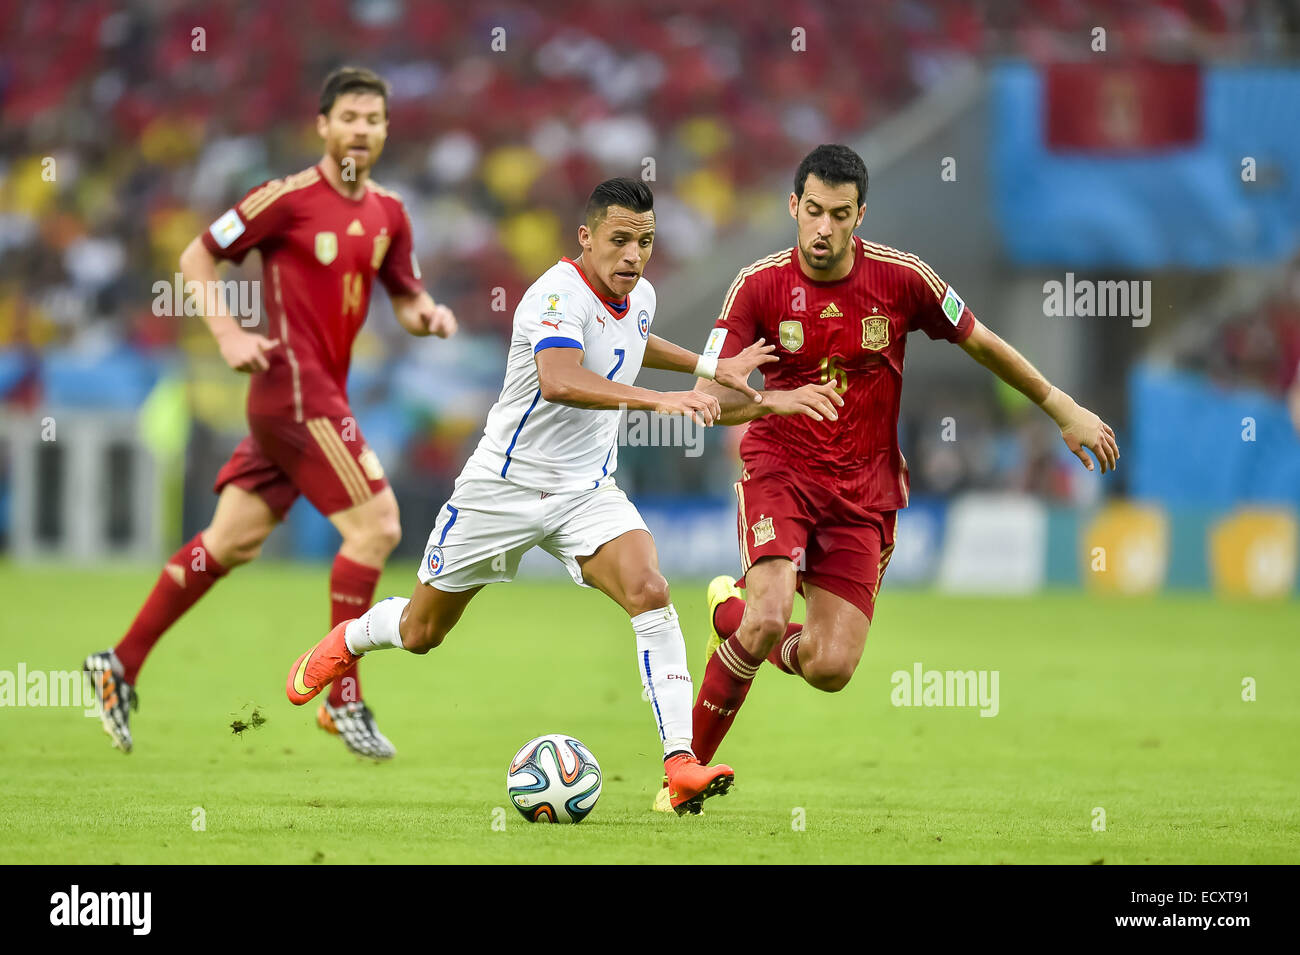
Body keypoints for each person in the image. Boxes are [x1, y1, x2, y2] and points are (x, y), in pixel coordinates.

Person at [284, 177, 832, 814]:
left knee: (650, 591)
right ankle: (351, 639)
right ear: (587, 237)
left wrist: (711, 370)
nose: (633, 255)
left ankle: (680, 763)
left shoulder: (641, 294)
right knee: (421, 631)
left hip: (586, 492)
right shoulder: (553, 293)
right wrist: (664, 399)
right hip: (501, 489)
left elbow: (631, 338)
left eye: (646, 242)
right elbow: (561, 379)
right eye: (620, 240)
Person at [652, 143, 1120, 810]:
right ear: (793, 205)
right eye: (812, 210)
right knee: (769, 617)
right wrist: (770, 399)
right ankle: (681, 777)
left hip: (863, 489)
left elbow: (982, 340)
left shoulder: (903, 280)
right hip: (779, 469)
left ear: (859, 215)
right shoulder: (757, 285)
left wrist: (1061, 407)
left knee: (831, 666)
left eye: (839, 215)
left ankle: (726, 609)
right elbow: (712, 399)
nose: (823, 227)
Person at [83, 67, 457, 760]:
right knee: (377, 527)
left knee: (228, 542)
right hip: (291, 388)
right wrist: (227, 333)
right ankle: (341, 699)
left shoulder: (389, 213)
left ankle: (118, 664)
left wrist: (426, 315)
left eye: (373, 119)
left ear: (384, 129)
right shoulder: (285, 199)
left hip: (315, 399)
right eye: (349, 117)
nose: (362, 130)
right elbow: (198, 256)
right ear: (323, 125)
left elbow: (404, 296)